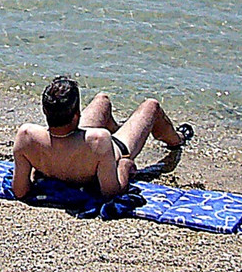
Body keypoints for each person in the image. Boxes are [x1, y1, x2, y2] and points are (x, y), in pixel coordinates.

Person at [11, 76, 192, 200]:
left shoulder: (26, 136)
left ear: (45, 110)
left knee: (102, 100)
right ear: (76, 115)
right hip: (104, 149)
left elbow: (20, 191)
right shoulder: (99, 140)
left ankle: (121, 128)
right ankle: (176, 139)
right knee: (151, 107)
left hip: (69, 142)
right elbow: (111, 191)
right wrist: (124, 166)